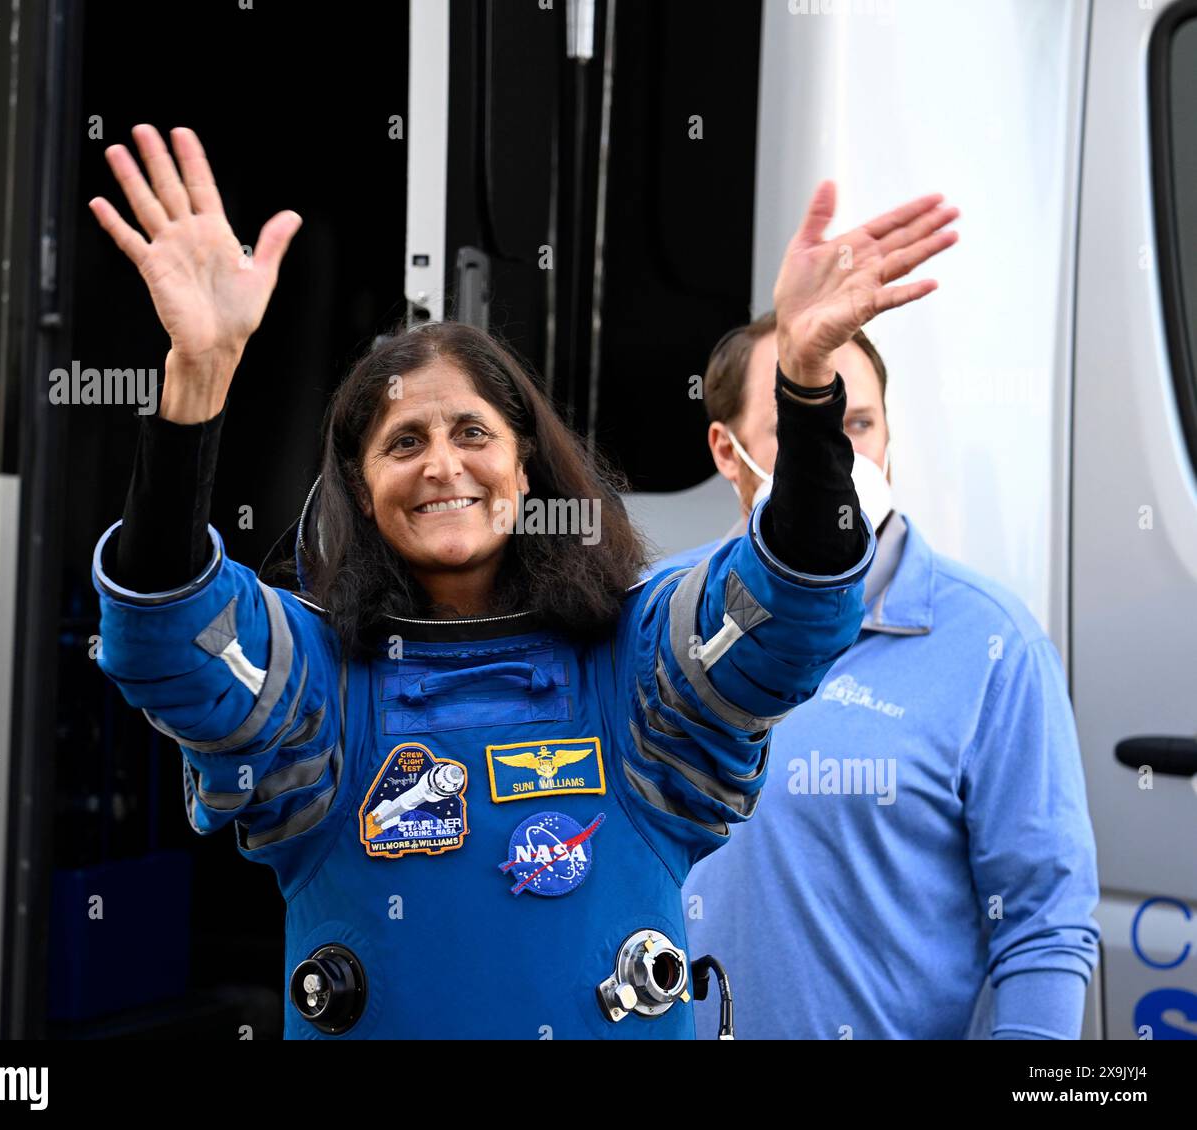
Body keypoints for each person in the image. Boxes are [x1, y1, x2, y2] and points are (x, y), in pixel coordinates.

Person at [87, 125, 955, 1038]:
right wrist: (199, 377)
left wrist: (807, 382)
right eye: (403, 444)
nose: (442, 467)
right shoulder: (318, 685)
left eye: (471, 434)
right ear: (360, 491)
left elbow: (791, 610)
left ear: (525, 469)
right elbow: (167, 640)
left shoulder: (636, 664)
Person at [666, 310, 1101, 1040]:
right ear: (727, 449)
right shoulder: (662, 615)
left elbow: (1044, 922)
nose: (834, 454)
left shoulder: (992, 645)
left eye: (857, 423)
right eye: (796, 428)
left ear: (890, 437)